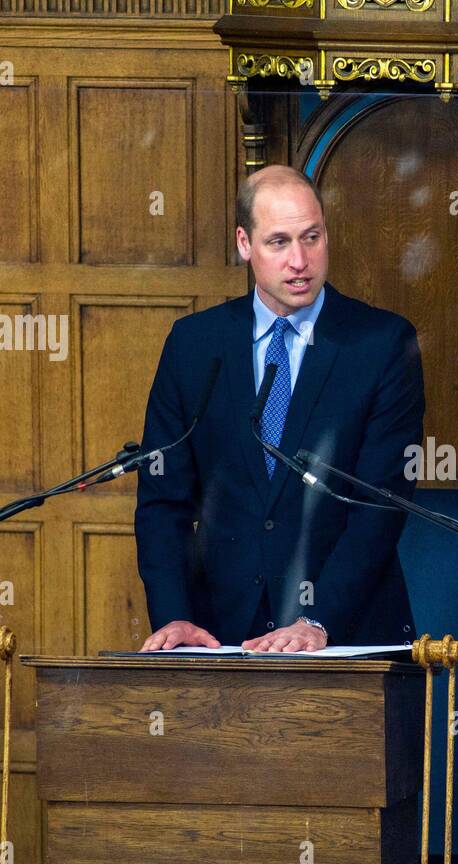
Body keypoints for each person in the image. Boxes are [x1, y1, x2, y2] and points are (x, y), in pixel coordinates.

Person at [135, 165, 425, 653]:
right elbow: (163, 503)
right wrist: (175, 616)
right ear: (244, 244)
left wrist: (317, 620)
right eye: (279, 242)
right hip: (218, 638)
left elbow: (380, 505)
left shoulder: (381, 344)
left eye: (312, 237)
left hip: (347, 638)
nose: (300, 260)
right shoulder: (194, 345)